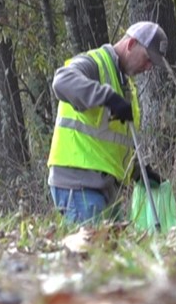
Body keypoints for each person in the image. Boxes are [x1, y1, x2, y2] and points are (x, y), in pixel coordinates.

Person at [47, 21, 169, 224]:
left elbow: (115, 142)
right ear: (131, 44)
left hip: (105, 189)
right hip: (78, 184)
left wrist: (139, 172)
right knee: (93, 253)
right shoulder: (93, 63)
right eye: (147, 59)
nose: (148, 68)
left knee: (113, 252)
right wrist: (109, 98)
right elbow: (61, 81)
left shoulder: (126, 86)